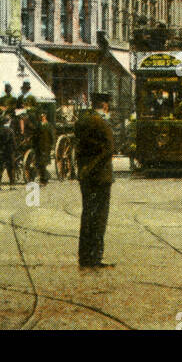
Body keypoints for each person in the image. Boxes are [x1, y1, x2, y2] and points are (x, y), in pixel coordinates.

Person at [75, 92, 114, 268]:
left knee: (87, 216)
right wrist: (93, 167)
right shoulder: (102, 123)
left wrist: (84, 169)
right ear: (104, 105)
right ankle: (95, 258)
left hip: (85, 176)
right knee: (99, 218)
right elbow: (109, 149)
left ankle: (84, 256)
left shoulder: (82, 121)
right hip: (100, 177)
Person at [34, 110, 54, 185]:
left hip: (46, 146)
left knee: (43, 163)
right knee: (40, 163)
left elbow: (51, 136)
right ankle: (44, 178)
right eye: (41, 116)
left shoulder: (49, 125)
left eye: (43, 116)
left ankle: (44, 179)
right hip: (39, 146)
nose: (42, 118)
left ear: (45, 116)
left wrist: (52, 145)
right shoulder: (39, 125)